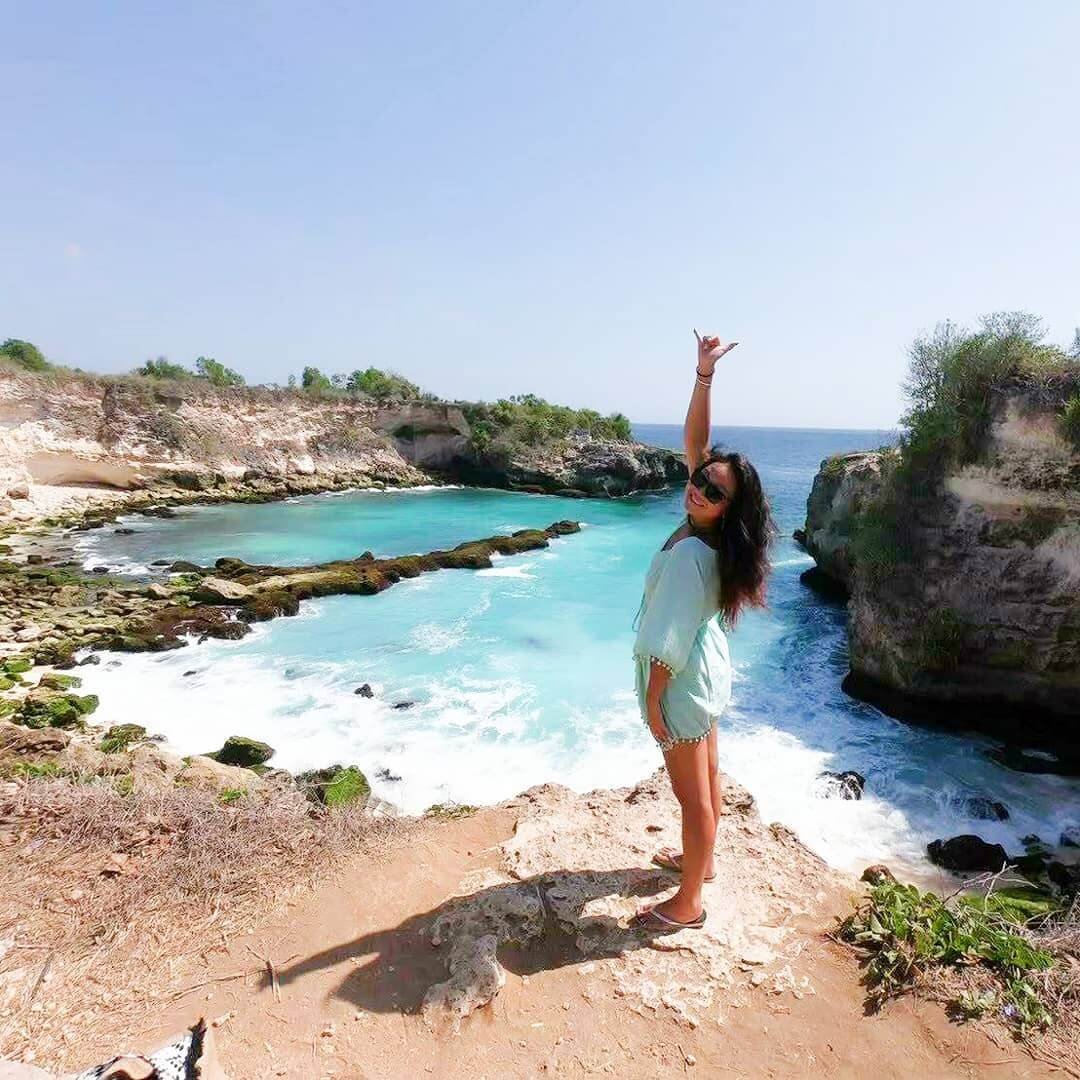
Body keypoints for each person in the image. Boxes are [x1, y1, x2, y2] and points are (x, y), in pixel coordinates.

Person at [629, 331, 775, 933]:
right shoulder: (711, 536)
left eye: (714, 490)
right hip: (708, 669)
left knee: (693, 798)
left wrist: (654, 695)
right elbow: (696, 446)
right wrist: (704, 375)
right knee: (710, 780)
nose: (700, 487)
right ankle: (702, 866)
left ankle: (687, 904)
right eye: (702, 479)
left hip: (683, 678)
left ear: (726, 508)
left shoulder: (694, 554)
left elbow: (671, 631)